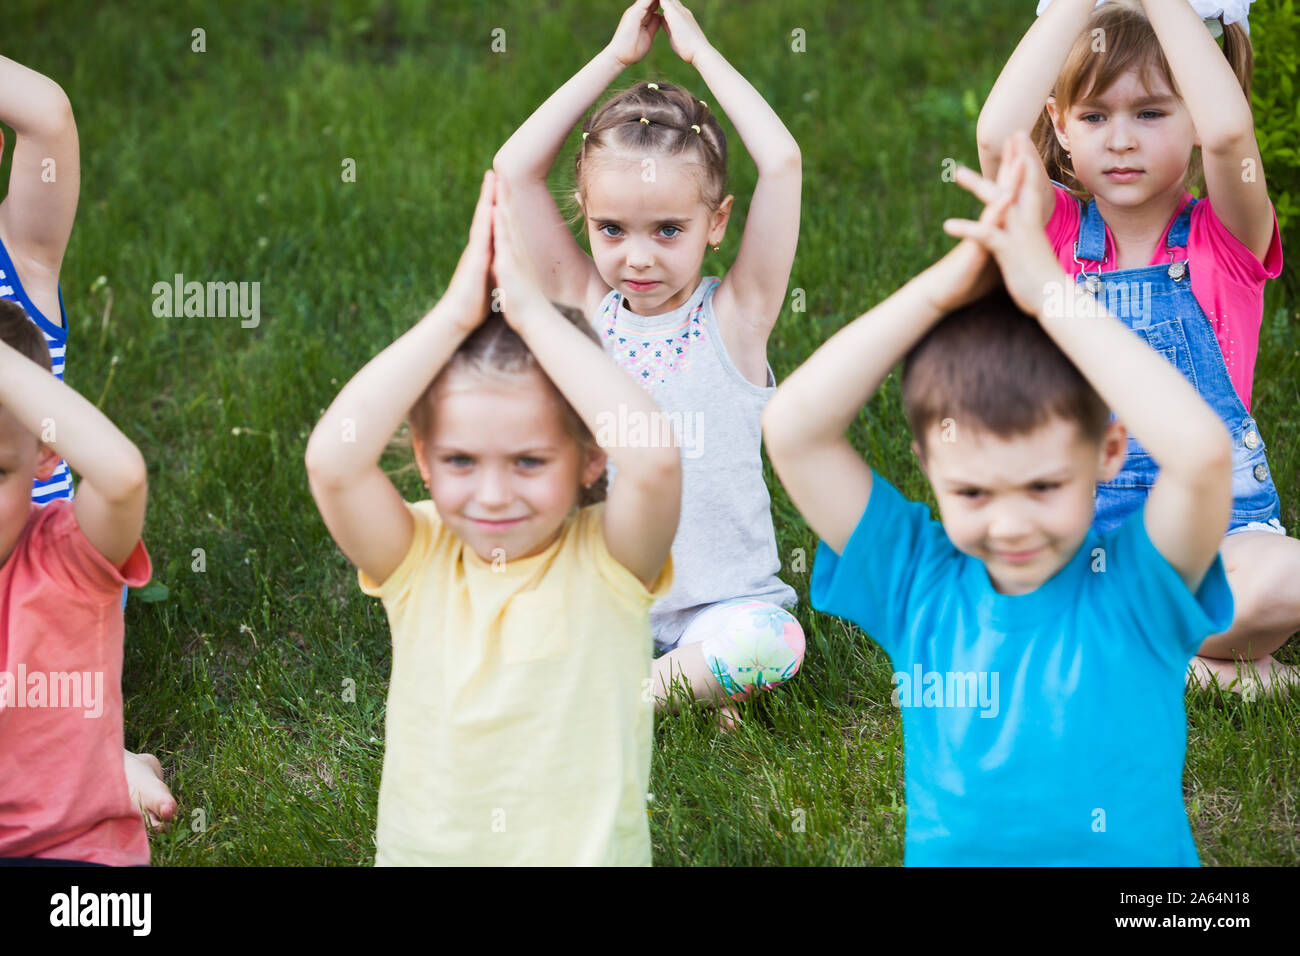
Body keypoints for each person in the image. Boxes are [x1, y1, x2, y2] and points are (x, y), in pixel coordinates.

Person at [763, 133, 1233, 864]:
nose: (1010, 523)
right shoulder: (917, 581)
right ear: (927, 464)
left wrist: (1050, 290)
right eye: (973, 491)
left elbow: (1204, 456)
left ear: (1109, 451)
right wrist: (946, 285)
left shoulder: (1141, 587)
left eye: (1044, 485)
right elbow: (793, 428)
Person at [305, 171, 678, 865]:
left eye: (530, 461)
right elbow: (333, 464)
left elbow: (655, 460)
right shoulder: (418, 558)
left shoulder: (613, 561)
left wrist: (535, 314)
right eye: (460, 461)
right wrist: (454, 314)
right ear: (422, 456)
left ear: (591, 458)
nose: (494, 494)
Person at [492, 0, 804, 726]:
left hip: (722, 608)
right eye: (611, 228)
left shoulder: (738, 318)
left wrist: (698, 54)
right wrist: (613, 58)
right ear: (586, 214)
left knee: (774, 640)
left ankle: (638, 698)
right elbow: (512, 171)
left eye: (669, 229)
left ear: (717, 223)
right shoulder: (587, 310)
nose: (637, 256)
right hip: (612, 602)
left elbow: (783, 162)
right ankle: (689, 687)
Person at [976, 0, 1296, 695]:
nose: (1121, 140)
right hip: (1080, 538)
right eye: (1094, 116)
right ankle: (1200, 668)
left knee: (1285, 580)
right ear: (1059, 127)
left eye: (1151, 113)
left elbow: (1232, 134)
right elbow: (999, 139)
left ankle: (1110, 649)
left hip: (1218, 536)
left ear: (1194, 121)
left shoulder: (1227, 241)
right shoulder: (1052, 235)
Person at [0, 53, 176, 825]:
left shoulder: (21, 263)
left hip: (41, 568)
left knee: (57, 659)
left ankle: (104, 748)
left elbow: (46, 112)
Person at [0, 299, 153, 865]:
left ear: (44, 452)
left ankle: (123, 769)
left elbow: (122, 478)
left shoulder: (66, 557)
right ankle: (127, 767)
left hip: (72, 858)